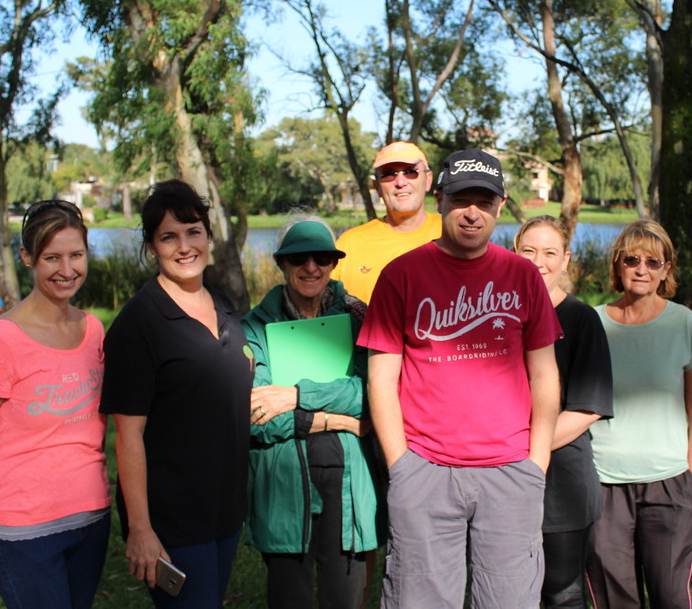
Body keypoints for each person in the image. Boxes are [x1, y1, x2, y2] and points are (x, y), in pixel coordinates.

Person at [360, 149, 562, 608]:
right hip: (425, 472)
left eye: (485, 202)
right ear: (440, 200)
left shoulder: (523, 275)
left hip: (511, 473)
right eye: (461, 200)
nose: (473, 213)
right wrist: (402, 467)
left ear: (499, 205)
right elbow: (382, 380)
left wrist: (536, 464)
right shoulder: (400, 276)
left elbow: (545, 374)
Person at [0, 200, 109, 608]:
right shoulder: (1, 341)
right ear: (27, 258)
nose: (67, 270)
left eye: (76, 255)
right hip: (22, 533)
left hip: (92, 520)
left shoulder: (93, 330)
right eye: (52, 257)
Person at [100, 179, 252, 608]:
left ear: (208, 234)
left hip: (224, 511)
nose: (184, 246)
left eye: (193, 232)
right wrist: (141, 529)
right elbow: (127, 438)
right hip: (174, 523)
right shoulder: (138, 324)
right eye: (169, 236)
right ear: (152, 246)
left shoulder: (222, 305)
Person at [241, 216, 382, 609]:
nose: (311, 267)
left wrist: (294, 394)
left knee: (346, 598)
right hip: (284, 486)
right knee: (290, 599)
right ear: (282, 264)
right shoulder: (255, 326)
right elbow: (259, 416)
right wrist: (336, 420)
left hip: (349, 482)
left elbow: (373, 394)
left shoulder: (358, 317)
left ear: (333, 263)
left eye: (322, 258)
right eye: (299, 258)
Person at [585, 219, 692, 609]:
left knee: (671, 597)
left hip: (670, 483)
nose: (642, 269)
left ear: (666, 269)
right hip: (603, 483)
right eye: (632, 259)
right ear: (618, 265)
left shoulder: (683, 322)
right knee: (614, 599)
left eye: (653, 262)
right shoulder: (592, 323)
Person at [513, 215, 613, 609]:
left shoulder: (582, 320)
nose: (539, 261)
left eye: (550, 253)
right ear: (513, 254)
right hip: (500, 481)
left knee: (561, 594)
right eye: (529, 251)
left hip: (562, 486)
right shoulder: (498, 317)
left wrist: (517, 449)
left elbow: (587, 408)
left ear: (566, 259)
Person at [331, 141, 441, 303]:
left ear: (428, 179)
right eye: (389, 174)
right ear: (377, 186)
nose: (400, 182)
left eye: (411, 172)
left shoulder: (453, 235)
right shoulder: (348, 245)